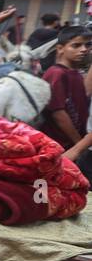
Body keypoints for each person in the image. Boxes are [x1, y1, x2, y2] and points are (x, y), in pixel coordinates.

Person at [38, 26, 92, 163]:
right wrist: (78, 143)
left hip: (71, 145)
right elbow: (58, 113)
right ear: (60, 48)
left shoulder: (76, 74)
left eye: (88, 45)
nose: (84, 49)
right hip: (57, 145)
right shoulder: (56, 73)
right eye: (76, 45)